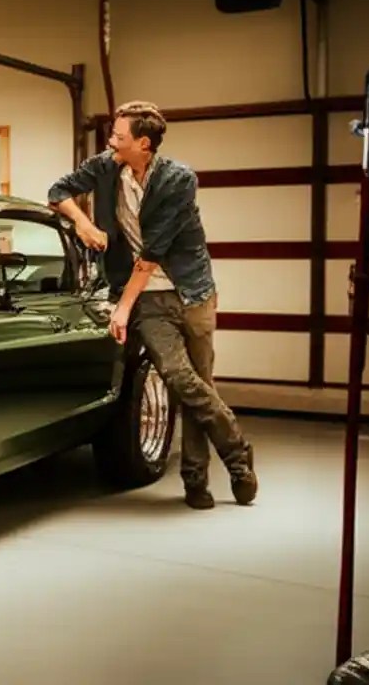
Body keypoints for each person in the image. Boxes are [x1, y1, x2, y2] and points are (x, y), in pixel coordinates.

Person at [46, 100, 257, 509]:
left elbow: (152, 253)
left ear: (143, 143)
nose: (111, 142)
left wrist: (121, 309)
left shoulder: (179, 180)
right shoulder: (106, 166)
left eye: (119, 137)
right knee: (181, 380)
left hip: (192, 292)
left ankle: (197, 482)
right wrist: (84, 222)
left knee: (198, 384)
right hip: (149, 299)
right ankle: (238, 453)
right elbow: (58, 191)